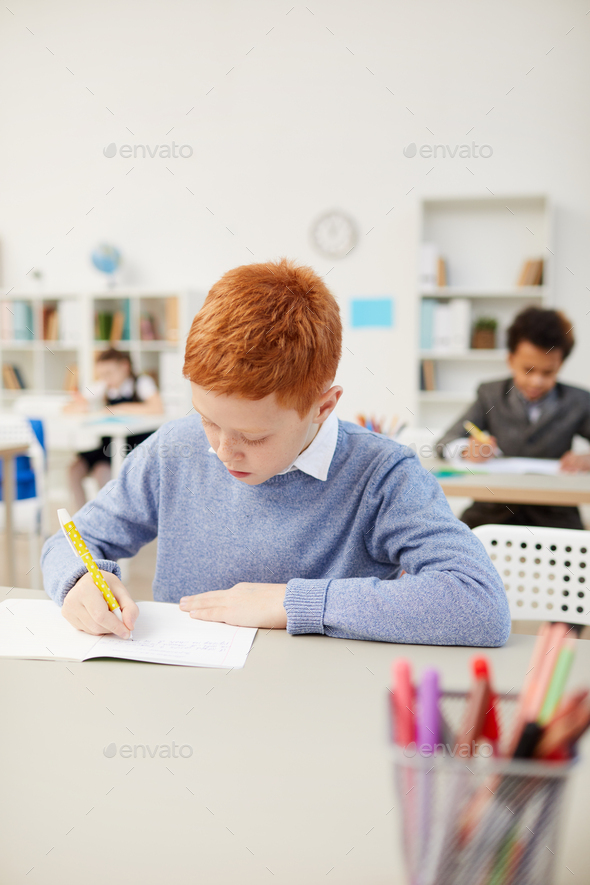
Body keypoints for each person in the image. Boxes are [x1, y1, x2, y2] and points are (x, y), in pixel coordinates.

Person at [42, 259, 510, 648]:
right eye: (207, 419)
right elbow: (72, 539)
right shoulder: (174, 448)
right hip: (183, 696)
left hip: (314, 710)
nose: (222, 450)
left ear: (322, 407)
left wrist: (293, 603)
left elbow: (479, 603)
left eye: (254, 436)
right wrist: (77, 580)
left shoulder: (383, 476)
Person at [437, 307, 590, 529]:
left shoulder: (578, 401)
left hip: (555, 517)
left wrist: (587, 459)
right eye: (528, 370)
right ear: (510, 360)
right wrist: (466, 450)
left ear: (561, 365)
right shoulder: (489, 394)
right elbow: (444, 443)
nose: (536, 381)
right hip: (490, 513)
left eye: (548, 372)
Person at [65, 348, 163, 510]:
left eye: (109, 373)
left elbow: (157, 407)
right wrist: (80, 407)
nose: (105, 378)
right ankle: (82, 519)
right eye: (101, 374)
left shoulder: (142, 383)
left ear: (124, 367)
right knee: (74, 470)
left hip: (132, 446)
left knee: (101, 471)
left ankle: (111, 517)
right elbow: (71, 405)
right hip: (107, 444)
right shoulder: (103, 386)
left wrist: (119, 409)